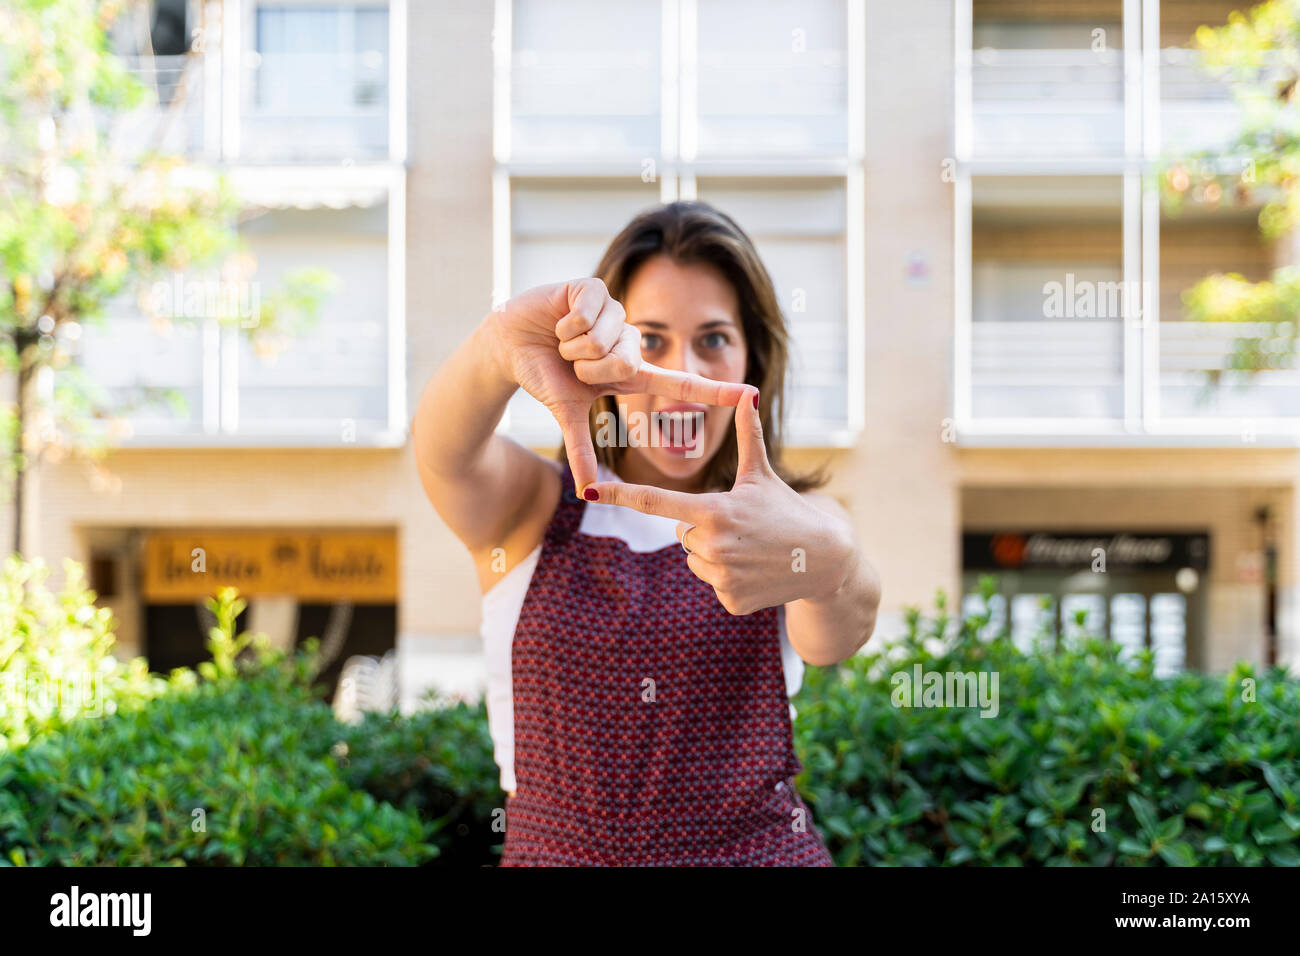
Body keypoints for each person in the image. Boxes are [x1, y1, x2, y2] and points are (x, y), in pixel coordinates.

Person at [413, 200, 881, 866]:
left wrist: (834, 560)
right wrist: (496, 347)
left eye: (714, 339)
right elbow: (443, 453)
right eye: (651, 339)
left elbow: (836, 629)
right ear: (600, 355)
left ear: (752, 357)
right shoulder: (531, 508)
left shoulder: (787, 522)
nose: (683, 376)